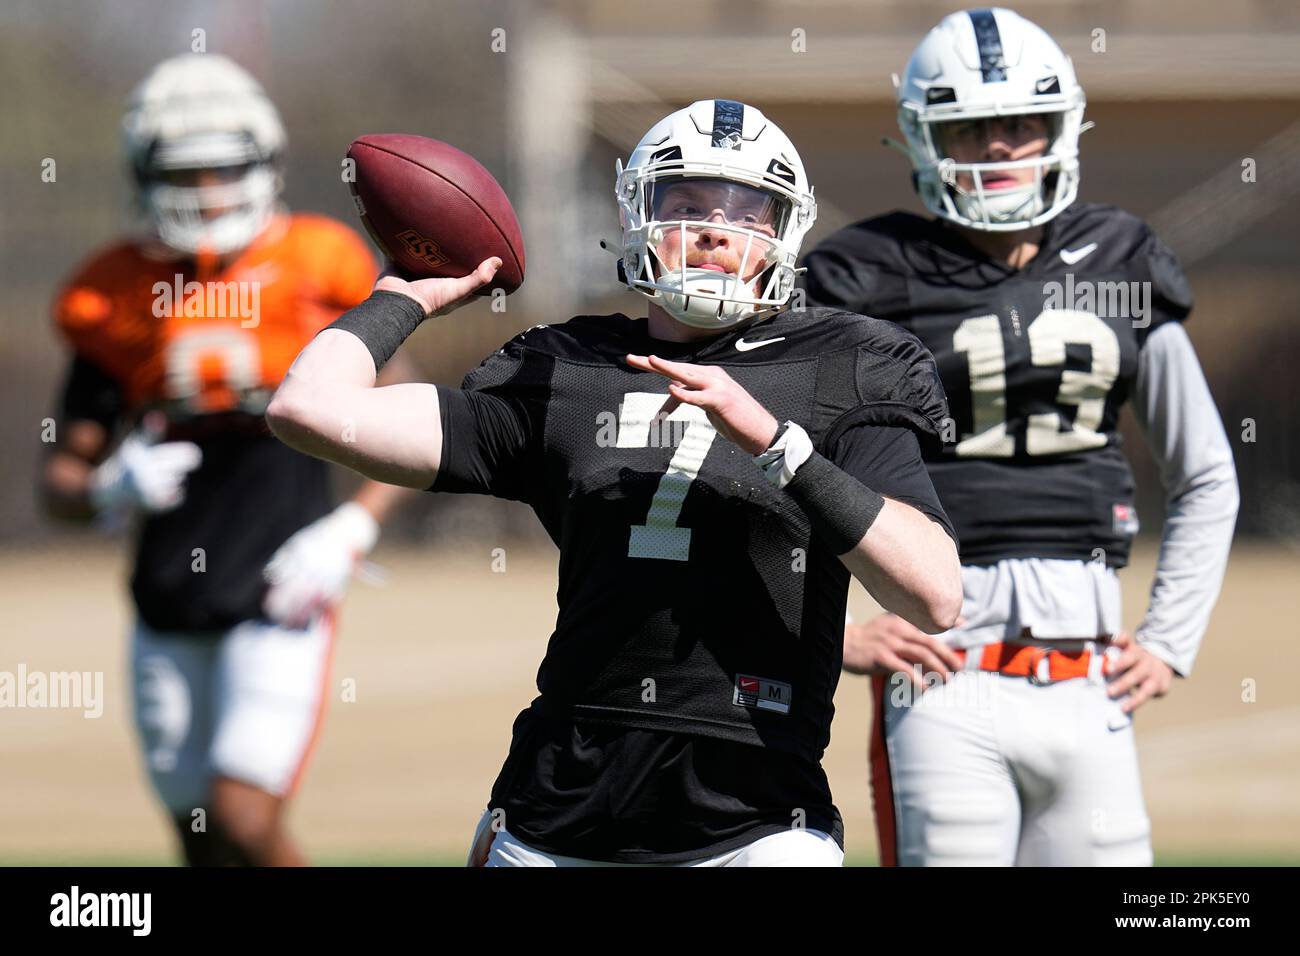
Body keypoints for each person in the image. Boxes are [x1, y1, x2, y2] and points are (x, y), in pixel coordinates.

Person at [266, 99, 962, 866]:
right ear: (638, 214)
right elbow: (308, 408)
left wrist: (773, 442)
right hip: (560, 805)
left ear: (784, 233)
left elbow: (933, 593)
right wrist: (407, 296)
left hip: (759, 815)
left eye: (744, 211)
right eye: (686, 204)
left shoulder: (845, 364)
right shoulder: (568, 368)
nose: (711, 228)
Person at [800, 7, 1240, 865]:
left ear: (1063, 126)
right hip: (942, 675)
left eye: (1020, 123)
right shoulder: (864, 274)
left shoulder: (1120, 258)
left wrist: (1168, 639)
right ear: (926, 141)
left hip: (1090, 674)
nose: (1000, 147)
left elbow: (1206, 472)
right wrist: (838, 630)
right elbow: (778, 464)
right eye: (971, 128)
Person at [39, 53, 413, 866]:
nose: (207, 191)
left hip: (282, 579)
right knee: (200, 839)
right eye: (186, 172)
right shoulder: (111, 291)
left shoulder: (322, 262)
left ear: (264, 164)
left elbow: (409, 421)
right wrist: (107, 487)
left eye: (224, 170)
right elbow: (61, 479)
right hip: (165, 594)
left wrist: (350, 529)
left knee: (242, 814)